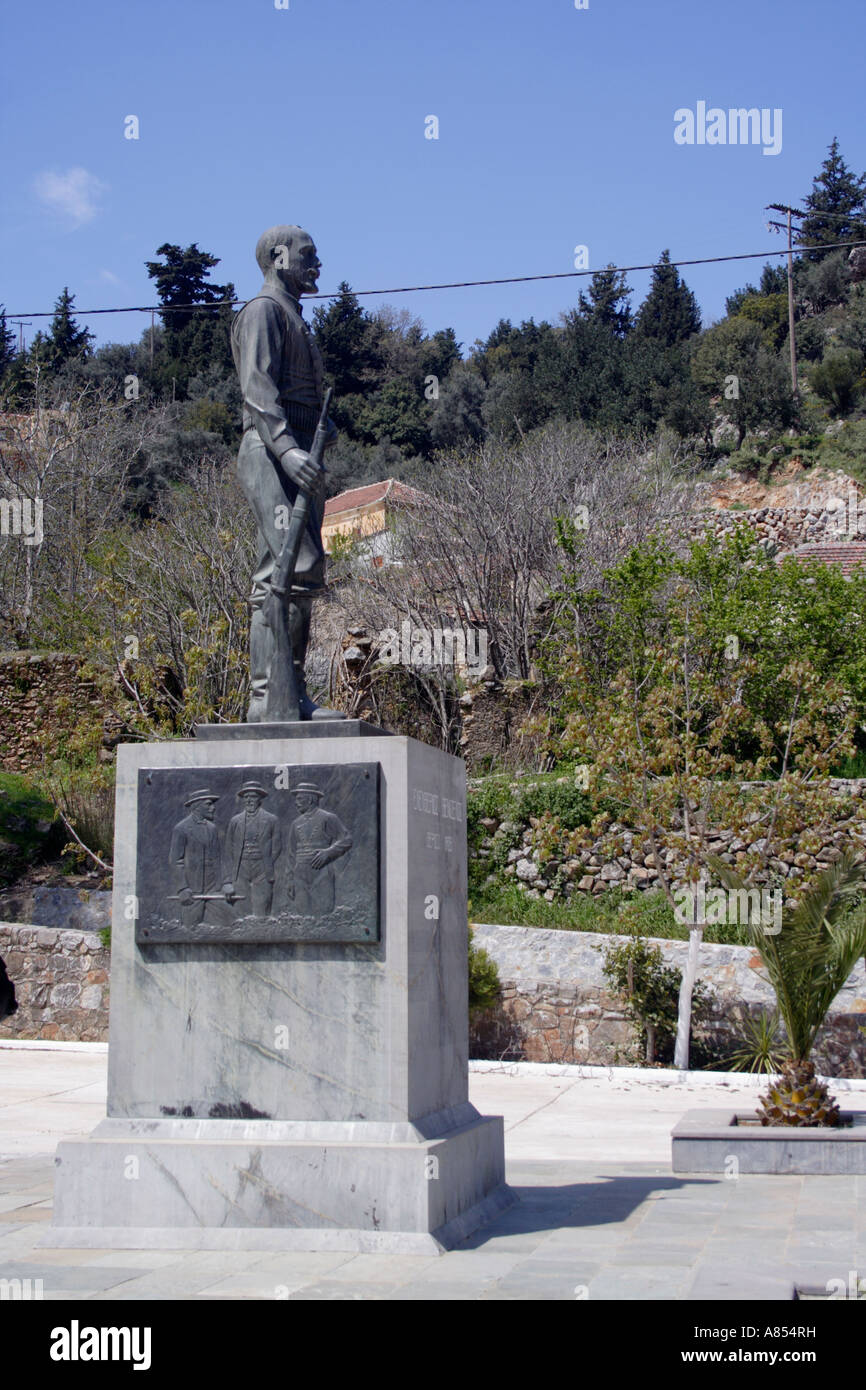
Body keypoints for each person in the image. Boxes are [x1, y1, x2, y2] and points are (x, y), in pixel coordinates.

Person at [231, 224, 345, 722]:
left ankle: (281, 693)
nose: (317, 263)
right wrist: (286, 448)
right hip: (276, 452)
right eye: (308, 254)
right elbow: (257, 389)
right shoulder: (263, 311)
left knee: (288, 571)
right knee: (291, 568)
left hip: (300, 453)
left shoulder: (294, 316)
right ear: (279, 257)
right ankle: (272, 696)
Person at [287, 782, 352, 915]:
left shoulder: (328, 818)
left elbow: (347, 839)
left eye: (299, 799)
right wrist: (289, 880)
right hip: (300, 875)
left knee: (323, 915)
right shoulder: (295, 823)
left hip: (321, 874)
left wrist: (328, 853)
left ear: (310, 799)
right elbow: (290, 854)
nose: (296, 802)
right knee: (302, 918)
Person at [168, 790, 227, 927]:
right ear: (197, 806)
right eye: (209, 804)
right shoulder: (181, 829)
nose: (213, 807)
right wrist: (182, 888)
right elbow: (176, 861)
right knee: (190, 928)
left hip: (213, 888)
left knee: (229, 924)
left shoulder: (212, 828)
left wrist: (226, 883)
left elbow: (218, 858)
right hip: (193, 889)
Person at [223, 782, 283, 917]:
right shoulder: (235, 821)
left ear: (260, 799)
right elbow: (229, 849)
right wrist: (228, 879)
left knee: (262, 912)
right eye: (246, 797)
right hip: (241, 869)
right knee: (241, 912)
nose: (249, 800)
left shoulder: (271, 820)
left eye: (253, 797)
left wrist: (266, 863)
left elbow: (277, 847)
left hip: (262, 869)